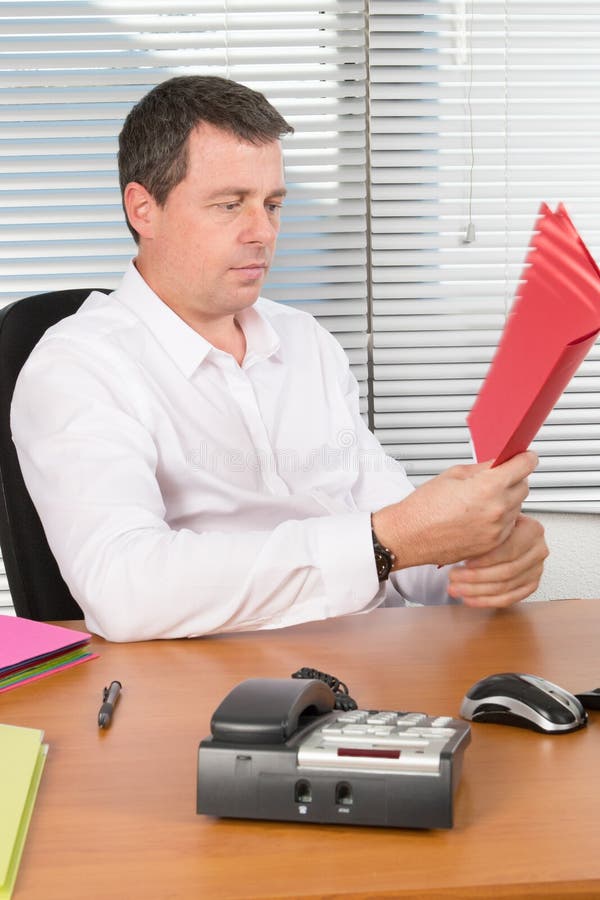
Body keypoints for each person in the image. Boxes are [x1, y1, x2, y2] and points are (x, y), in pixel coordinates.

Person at [11, 76, 548, 642]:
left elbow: (397, 532)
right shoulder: (78, 367)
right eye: (229, 205)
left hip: (379, 672)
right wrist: (386, 540)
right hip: (217, 697)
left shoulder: (306, 341)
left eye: (272, 204)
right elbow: (124, 590)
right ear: (144, 209)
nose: (262, 233)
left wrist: (478, 558)